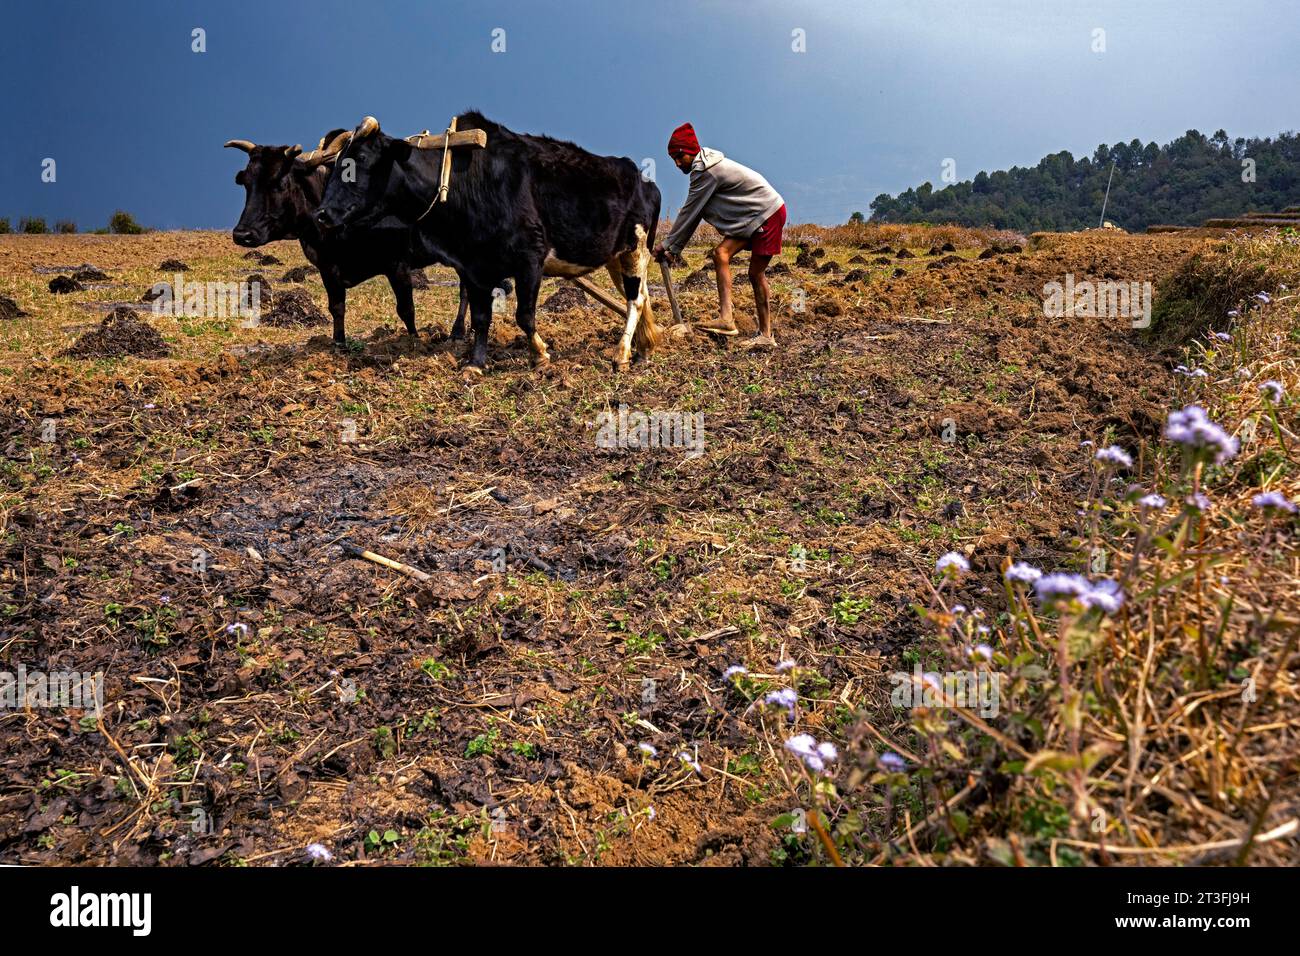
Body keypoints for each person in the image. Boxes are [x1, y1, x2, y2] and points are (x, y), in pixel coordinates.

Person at [653, 122, 787, 349]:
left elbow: (689, 212)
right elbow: (695, 213)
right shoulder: (704, 167)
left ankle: (764, 334)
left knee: (755, 274)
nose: (677, 163)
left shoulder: (706, 172)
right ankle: (727, 318)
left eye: (679, 156)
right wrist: (673, 249)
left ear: (691, 152)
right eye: (673, 158)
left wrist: (668, 245)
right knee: (721, 253)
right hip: (753, 216)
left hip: (767, 213)